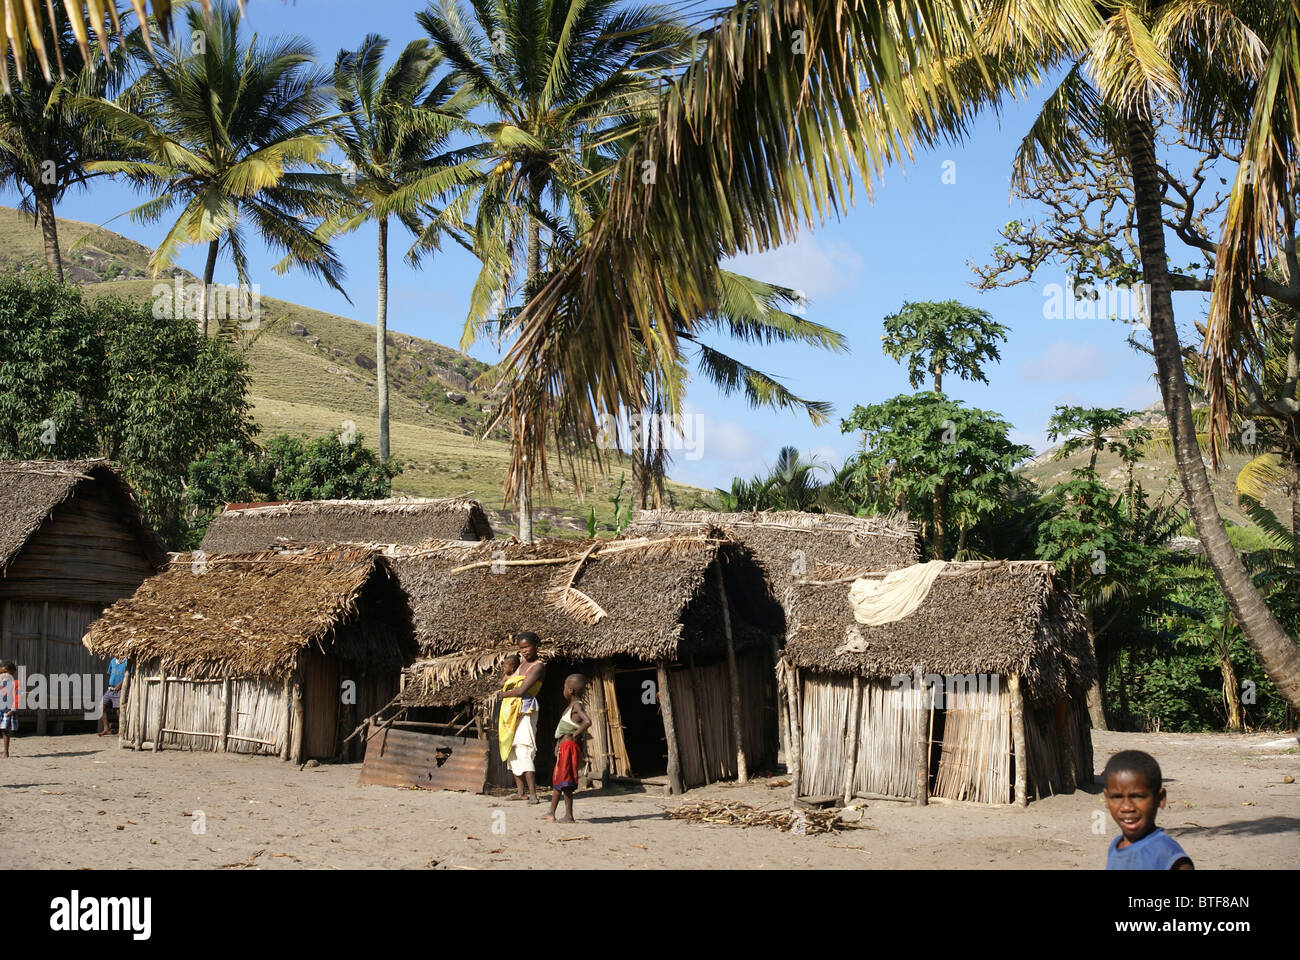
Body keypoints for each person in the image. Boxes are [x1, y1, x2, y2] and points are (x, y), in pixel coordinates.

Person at [1103, 749, 1193, 870]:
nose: (1127, 807)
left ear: (1160, 799)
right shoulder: (1116, 846)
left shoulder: (1168, 856)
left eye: (1137, 796)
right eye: (1117, 797)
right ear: (1107, 799)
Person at [497, 633, 546, 803]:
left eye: (527, 647)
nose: (524, 651)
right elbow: (507, 680)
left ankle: (533, 793)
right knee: (511, 748)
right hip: (511, 711)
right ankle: (520, 792)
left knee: (524, 748)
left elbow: (521, 690)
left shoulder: (538, 666)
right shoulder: (522, 664)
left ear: (536, 645)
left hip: (526, 710)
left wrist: (504, 694)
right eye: (521, 648)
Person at [544, 674, 590, 824]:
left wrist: (574, 735)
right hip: (564, 746)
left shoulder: (577, 705)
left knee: (565, 781)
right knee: (559, 779)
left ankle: (569, 816)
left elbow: (587, 721)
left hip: (569, 747)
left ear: (570, 690)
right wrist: (559, 743)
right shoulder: (571, 706)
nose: (562, 690)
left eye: (564, 687)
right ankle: (551, 812)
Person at [99, 656, 129, 737]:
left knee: (119, 710)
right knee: (101, 706)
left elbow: (128, 675)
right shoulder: (112, 661)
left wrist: (119, 684)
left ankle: (121, 730)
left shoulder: (127, 662)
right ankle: (106, 729)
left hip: (120, 689)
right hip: (110, 689)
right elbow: (110, 673)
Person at [0, 661, 18, 758]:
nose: (5, 674)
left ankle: (6, 752)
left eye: (7, 672)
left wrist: (13, 709)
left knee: (5, 730)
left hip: (7, 709)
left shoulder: (15, 683)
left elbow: (17, 697)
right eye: (3, 672)